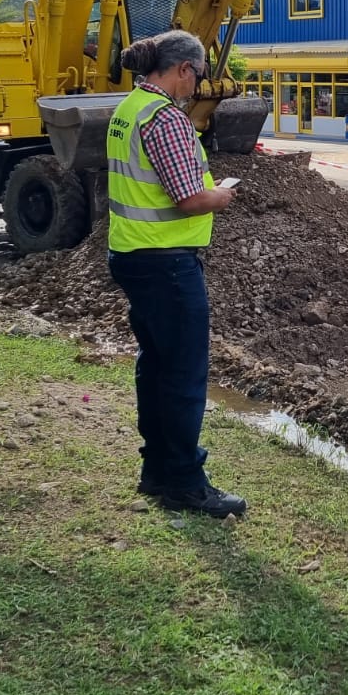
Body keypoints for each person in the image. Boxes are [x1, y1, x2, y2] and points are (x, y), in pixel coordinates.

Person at [105, 29, 244, 517]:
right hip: (165, 261)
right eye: (198, 74)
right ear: (184, 68)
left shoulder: (128, 109)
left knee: (156, 366)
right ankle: (184, 481)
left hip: (133, 254)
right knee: (184, 376)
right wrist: (221, 196)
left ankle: (158, 471)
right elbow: (189, 199)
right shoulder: (165, 119)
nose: (198, 85)